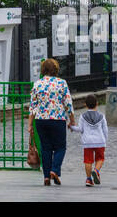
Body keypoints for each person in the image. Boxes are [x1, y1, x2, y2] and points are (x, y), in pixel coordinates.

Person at [28, 58, 74, 186]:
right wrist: (72, 121)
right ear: (56, 69)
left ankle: (46, 177)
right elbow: (68, 104)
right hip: (57, 119)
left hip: (41, 120)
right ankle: (54, 170)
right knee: (60, 147)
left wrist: (30, 125)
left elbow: (32, 106)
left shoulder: (37, 84)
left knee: (46, 148)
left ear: (43, 70)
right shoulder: (62, 83)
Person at [69, 93, 108, 186]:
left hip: (87, 142)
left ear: (85, 105)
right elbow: (105, 130)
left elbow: (80, 129)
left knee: (88, 161)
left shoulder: (83, 116)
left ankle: (88, 179)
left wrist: (71, 127)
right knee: (100, 158)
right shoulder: (102, 116)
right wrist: (105, 141)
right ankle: (96, 170)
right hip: (99, 141)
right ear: (97, 104)